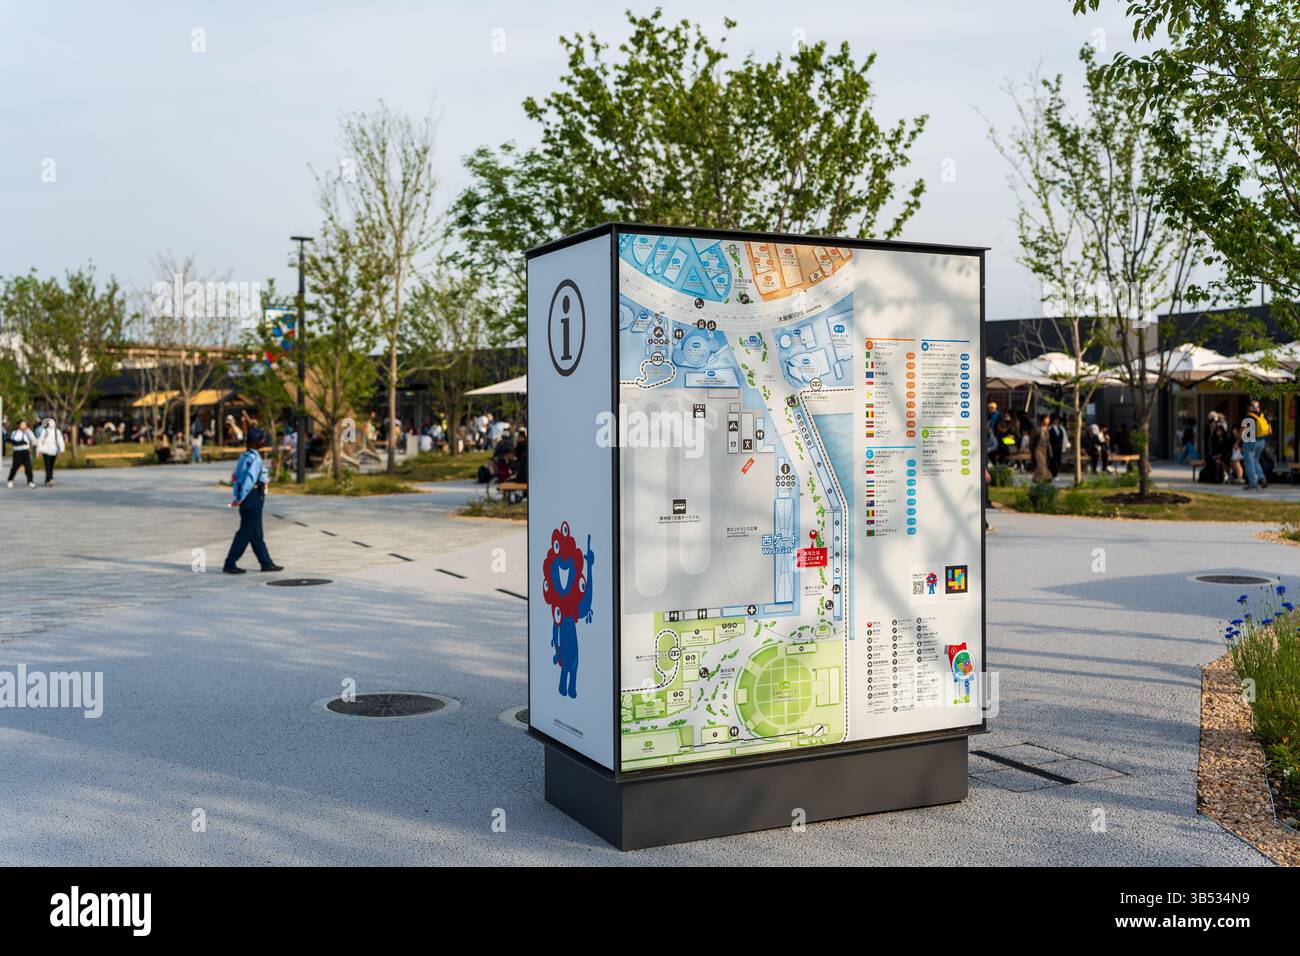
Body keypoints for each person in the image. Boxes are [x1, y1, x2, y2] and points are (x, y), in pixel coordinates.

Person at [222, 428, 283, 574]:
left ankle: (266, 562)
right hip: (252, 496)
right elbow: (249, 480)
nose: (264, 441)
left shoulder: (244, 456)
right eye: (262, 439)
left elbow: (236, 477)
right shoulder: (255, 458)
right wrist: (241, 497)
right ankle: (230, 563)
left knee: (256, 533)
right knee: (245, 533)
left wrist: (238, 496)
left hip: (247, 497)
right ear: (258, 442)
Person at [1242, 400, 1271, 491]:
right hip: (1261, 441)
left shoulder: (1248, 416)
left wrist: (1237, 442)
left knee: (1248, 462)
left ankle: (1253, 483)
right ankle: (1262, 478)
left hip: (1250, 441)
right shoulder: (1262, 416)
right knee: (1255, 460)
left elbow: (1244, 430)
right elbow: (1270, 429)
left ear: (1250, 407)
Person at [35, 417, 65, 485]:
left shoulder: (57, 431)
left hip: (54, 450)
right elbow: (40, 441)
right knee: (47, 465)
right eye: (50, 422)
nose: (51, 423)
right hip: (46, 450)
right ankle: (50, 478)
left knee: (51, 465)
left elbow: (60, 441)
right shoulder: (44, 431)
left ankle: (47, 479)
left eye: (53, 422)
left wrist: (62, 450)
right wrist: (39, 451)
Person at [6, 420, 36, 488]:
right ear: (18, 425)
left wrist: (27, 431)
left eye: (24, 424)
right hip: (17, 452)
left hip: (25, 452)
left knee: (28, 467)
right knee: (15, 467)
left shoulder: (28, 432)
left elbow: (33, 440)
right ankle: (10, 480)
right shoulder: (15, 432)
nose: (23, 426)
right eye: (22, 424)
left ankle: (30, 481)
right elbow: (12, 440)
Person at [1030, 414, 1052, 482]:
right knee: (1041, 463)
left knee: (1043, 463)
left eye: (1049, 419)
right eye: (1047, 419)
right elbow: (1032, 439)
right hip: (1038, 448)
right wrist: (1031, 449)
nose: (1048, 421)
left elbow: (1048, 441)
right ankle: (1046, 477)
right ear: (1042, 420)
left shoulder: (1047, 429)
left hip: (1045, 449)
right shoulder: (1037, 428)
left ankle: (1035, 478)